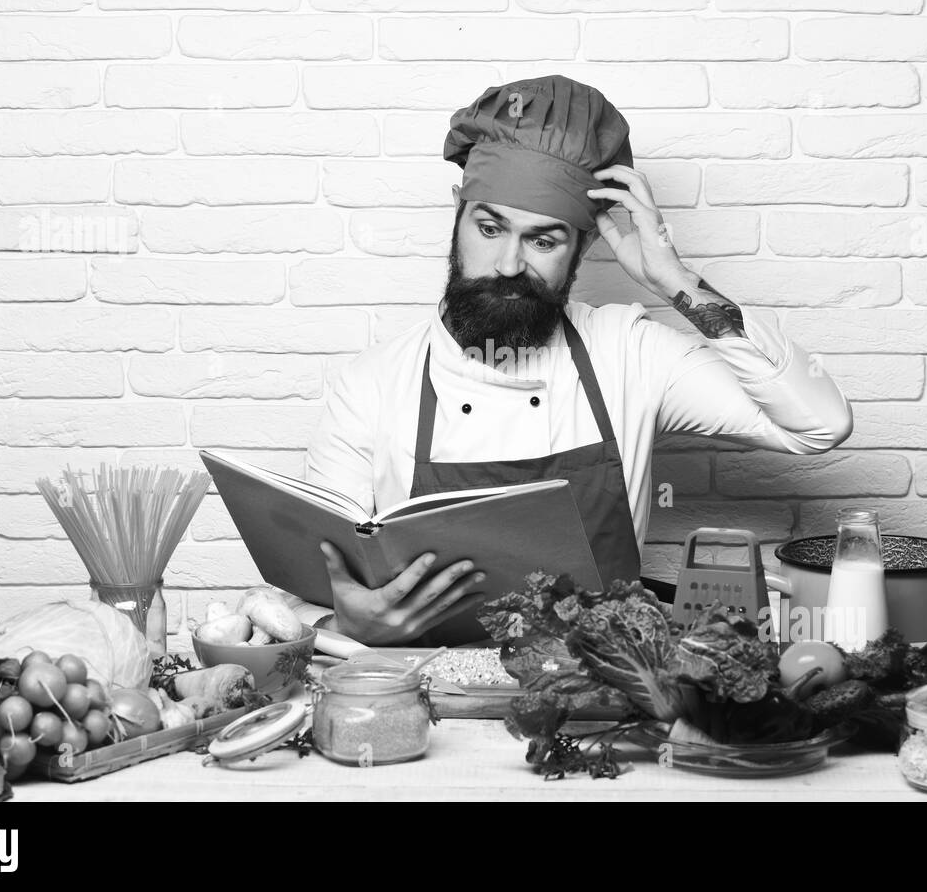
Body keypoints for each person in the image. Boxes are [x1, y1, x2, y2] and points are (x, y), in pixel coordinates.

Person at [301, 75, 853, 645]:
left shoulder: (629, 353)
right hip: (427, 699)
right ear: (457, 214)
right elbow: (322, 588)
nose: (508, 264)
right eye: (489, 228)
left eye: (543, 241)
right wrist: (346, 622)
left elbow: (819, 426)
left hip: (607, 696)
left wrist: (674, 281)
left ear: (583, 247)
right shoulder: (370, 384)